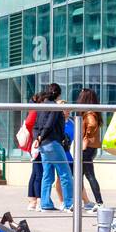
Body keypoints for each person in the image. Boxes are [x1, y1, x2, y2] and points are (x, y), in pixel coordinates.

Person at [34, 83, 73, 212]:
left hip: (43, 146)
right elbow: (49, 124)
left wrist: (37, 138)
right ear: (58, 94)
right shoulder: (54, 107)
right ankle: (69, 204)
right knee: (65, 174)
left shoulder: (41, 106)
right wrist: (41, 137)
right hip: (52, 143)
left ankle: (45, 204)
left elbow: (36, 126)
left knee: (47, 175)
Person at [76, 87, 104, 210]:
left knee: (89, 175)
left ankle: (99, 202)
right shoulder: (93, 112)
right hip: (91, 147)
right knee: (79, 175)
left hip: (87, 148)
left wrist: (86, 137)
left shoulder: (89, 113)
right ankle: (80, 201)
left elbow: (92, 125)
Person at [24, 91, 44, 211]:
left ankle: (32, 199)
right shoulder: (36, 111)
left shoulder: (34, 110)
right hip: (35, 145)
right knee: (38, 173)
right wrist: (36, 135)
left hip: (34, 144)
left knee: (35, 172)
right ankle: (37, 199)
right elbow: (28, 124)